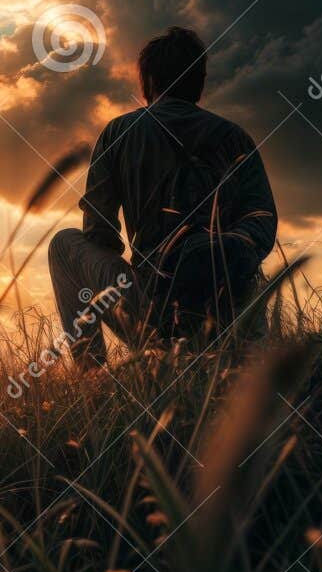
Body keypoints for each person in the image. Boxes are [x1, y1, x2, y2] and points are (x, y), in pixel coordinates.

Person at [48, 26, 277, 365]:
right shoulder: (234, 137)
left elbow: (98, 233)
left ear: (149, 82)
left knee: (63, 245)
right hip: (232, 320)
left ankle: (92, 377)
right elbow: (263, 224)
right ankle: (233, 353)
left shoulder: (119, 132)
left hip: (154, 317)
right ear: (199, 82)